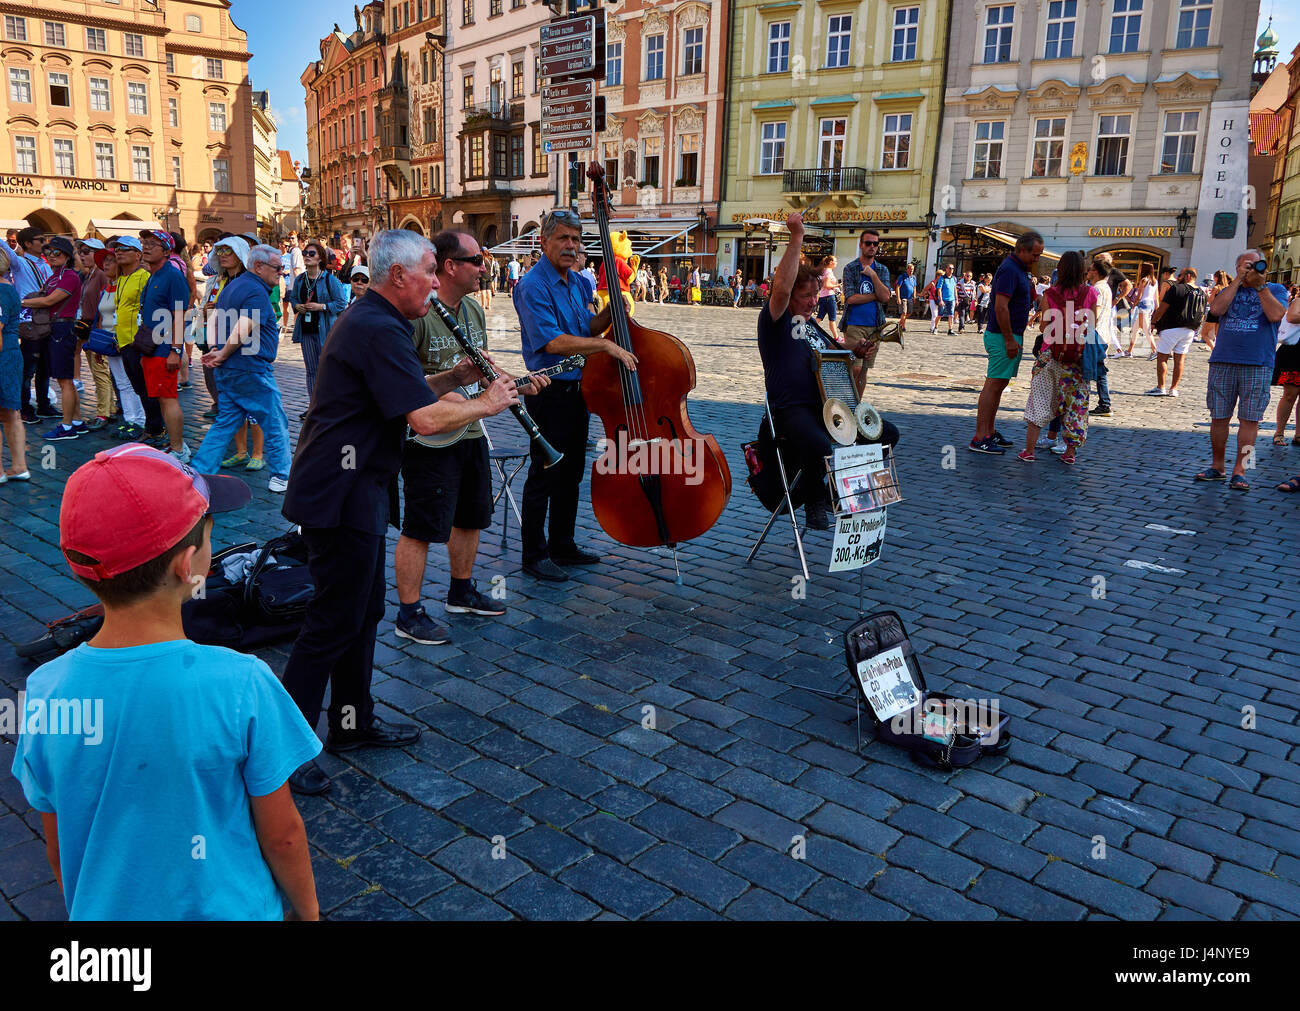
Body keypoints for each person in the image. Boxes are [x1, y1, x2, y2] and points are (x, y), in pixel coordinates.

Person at [10, 444, 323, 920]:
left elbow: (60, 845)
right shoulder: (242, 683)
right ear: (188, 565)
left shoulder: (46, 692)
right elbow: (282, 835)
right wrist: (308, 912)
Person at [279, 230, 523, 796]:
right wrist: (488, 401)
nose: (436, 282)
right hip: (339, 492)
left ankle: (351, 722)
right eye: (430, 272)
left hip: (359, 485)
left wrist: (457, 379)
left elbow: (408, 394)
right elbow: (424, 420)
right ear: (398, 277)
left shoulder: (379, 322)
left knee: (363, 614)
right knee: (331, 622)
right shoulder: (378, 327)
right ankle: (284, 751)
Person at [395, 231, 539, 643]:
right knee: (421, 526)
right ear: (450, 266)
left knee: (472, 517)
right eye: (476, 260)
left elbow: (483, 376)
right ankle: (409, 612)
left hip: (472, 428)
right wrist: (453, 380)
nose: (483, 266)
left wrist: (517, 385)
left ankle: (461, 591)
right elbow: (407, 386)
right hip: (431, 436)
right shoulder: (419, 314)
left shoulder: (473, 311)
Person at [758, 212, 899, 530]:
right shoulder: (776, 322)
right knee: (819, 444)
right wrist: (797, 238)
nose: (812, 302)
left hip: (829, 410)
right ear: (790, 298)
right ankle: (816, 501)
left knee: (887, 434)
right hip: (790, 411)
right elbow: (780, 290)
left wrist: (856, 356)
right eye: (805, 296)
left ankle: (845, 492)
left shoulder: (817, 330)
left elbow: (846, 383)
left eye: (815, 296)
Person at [514, 208, 632, 582]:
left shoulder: (580, 282)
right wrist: (606, 348)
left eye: (576, 240)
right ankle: (534, 554)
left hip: (579, 389)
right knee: (545, 472)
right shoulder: (531, 285)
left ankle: (562, 543)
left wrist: (614, 309)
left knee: (571, 473)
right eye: (563, 238)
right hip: (548, 390)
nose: (570, 245)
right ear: (543, 241)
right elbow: (552, 342)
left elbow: (589, 326)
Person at [191, 244, 293, 495]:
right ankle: (282, 475)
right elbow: (244, 327)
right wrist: (222, 352)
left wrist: (216, 350)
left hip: (229, 369)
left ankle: (200, 471)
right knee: (275, 422)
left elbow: (214, 319)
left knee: (225, 422)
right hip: (250, 369)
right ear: (258, 266)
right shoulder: (255, 290)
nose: (281, 273)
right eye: (278, 268)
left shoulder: (233, 286)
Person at [1194, 250, 1286, 491]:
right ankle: (1218, 466)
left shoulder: (1276, 290)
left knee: (1250, 419)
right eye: (1248, 265)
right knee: (1219, 416)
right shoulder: (1228, 290)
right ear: (1237, 267)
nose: (1253, 269)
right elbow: (1215, 310)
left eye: (1257, 265)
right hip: (1223, 360)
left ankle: (1241, 470)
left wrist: (1260, 287)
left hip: (1258, 362)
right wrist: (1237, 281)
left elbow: (1276, 315)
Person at [1018, 251, 1096, 466]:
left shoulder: (1051, 293)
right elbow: (1092, 326)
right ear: (1082, 270)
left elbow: (1044, 326)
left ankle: (1030, 450)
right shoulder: (1090, 294)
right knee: (1075, 404)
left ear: (1059, 269)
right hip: (1077, 358)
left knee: (1039, 401)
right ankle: (1070, 453)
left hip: (1050, 354)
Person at [969, 231, 1043, 454]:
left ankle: (989, 432)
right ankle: (980, 437)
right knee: (993, 385)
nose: (1037, 259)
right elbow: (1000, 307)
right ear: (1022, 250)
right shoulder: (1011, 270)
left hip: (1009, 335)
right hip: (1003, 336)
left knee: (999, 385)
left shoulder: (1018, 269)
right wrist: (1010, 339)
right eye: (1035, 254)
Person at [133, 230, 191, 460]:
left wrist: (175, 351)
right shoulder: (153, 276)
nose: (146, 247)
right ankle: (174, 444)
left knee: (168, 398)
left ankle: (179, 449)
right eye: (144, 243)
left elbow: (179, 315)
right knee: (161, 397)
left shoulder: (172, 276)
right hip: (151, 348)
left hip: (164, 349)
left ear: (167, 251)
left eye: (153, 244)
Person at [21, 236, 83, 441]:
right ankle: (76, 421)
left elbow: (49, 300)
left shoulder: (69, 276)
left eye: (56, 252)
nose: (51, 256)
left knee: (65, 380)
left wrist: (22, 302)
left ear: (67, 256)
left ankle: (66, 426)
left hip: (62, 328)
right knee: (66, 380)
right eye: (48, 252)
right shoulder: (55, 275)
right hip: (54, 328)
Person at [288, 240, 348, 412]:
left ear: (320, 258)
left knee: (328, 369)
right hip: (307, 330)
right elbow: (293, 299)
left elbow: (341, 303)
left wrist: (321, 307)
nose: (307, 256)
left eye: (311, 254)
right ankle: (314, 406)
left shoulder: (329, 280)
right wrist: (297, 306)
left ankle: (331, 404)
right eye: (305, 253)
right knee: (311, 370)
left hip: (326, 331)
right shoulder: (300, 280)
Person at [109, 236, 154, 441]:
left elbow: (148, 309)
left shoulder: (144, 276)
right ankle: (137, 421)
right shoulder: (121, 279)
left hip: (138, 342)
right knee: (133, 385)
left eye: (125, 249)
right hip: (124, 341)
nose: (119, 252)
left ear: (138, 254)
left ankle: (149, 425)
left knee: (144, 387)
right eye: (117, 249)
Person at [840, 229, 892, 394]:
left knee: (864, 371)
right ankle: (846, 402)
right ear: (861, 245)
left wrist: (873, 276)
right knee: (854, 367)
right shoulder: (851, 268)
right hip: (854, 324)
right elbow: (851, 298)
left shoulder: (882, 270)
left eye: (875, 244)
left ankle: (856, 408)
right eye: (868, 243)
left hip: (875, 326)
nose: (872, 246)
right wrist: (875, 295)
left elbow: (885, 297)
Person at [11, 227, 54, 424]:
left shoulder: (46, 263)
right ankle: (24, 407)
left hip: (46, 318)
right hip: (29, 320)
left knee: (45, 365)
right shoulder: (19, 262)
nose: (44, 242)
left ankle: (44, 405)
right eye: (40, 239)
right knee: (28, 367)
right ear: (28, 243)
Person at [1148, 267, 1200, 398]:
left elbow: (1162, 308)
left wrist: (1154, 321)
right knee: (1180, 360)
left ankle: (1161, 387)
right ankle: (1174, 389)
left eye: (1180, 275)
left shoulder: (1176, 288)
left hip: (1171, 327)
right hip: (1189, 329)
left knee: (1162, 357)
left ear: (1188, 276)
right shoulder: (1201, 292)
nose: (1177, 277)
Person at [0, 245, 28, 482]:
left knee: (7, 413)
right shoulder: (9, 288)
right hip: (10, 354)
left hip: (3, 356)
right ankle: (19, 466)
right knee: (11, 413)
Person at [1085, 259, 1116, 422]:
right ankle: (1103, 402)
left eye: (1090, 269)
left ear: (1095, 272)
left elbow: (1093, 313)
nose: (1088, 272)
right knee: (1098, 369)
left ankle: (1104, 403)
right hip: (1103, 333)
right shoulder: (1106, 287)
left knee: (1093, 369)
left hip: (1096, 334)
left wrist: (1088, 332)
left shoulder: (1097, 288)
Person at [1270, 291, 1300, 447]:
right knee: (1290, 394)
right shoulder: (1299, 300)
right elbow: (1291, 317)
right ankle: (1279, 433)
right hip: (1295, 352)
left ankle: (1299, 435)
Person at [1201, 269, 1229, 351]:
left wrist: (1207, 294)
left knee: (1204, 334)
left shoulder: (1216, 288)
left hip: (1214, 312)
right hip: (1223, 312)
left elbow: (1210, 301)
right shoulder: (1227, 288)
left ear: (1216, 277)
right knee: (1218, 335)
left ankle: (1214, 350)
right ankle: (1219, 350)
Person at [815, 255, 841, 342]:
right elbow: (827, 285)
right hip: (829, 297)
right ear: (830, 262)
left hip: (822, 296)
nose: (836, 263)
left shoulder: (823, 271)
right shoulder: (829, 272)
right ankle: (837, 338)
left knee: (819, 317)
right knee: (832, 319)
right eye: (835, 261)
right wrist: (837, 286)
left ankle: (807, 330)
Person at [895, 262, 918, 332]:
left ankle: (899, 323)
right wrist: (898, 298)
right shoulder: (902, 277)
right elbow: (898, 287)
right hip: (903, 298)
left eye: (912, 270)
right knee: (904, 312)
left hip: (910, 298)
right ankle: (903, 326)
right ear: (907, 269)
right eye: (910, 269)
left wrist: (914, 296)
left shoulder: (913, 278)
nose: (911, 271)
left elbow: (914, 287)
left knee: (909, 312)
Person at [937, 264, 957, 335]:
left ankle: (950, 329)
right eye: (950, 268)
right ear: (946, 269)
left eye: (952, 268)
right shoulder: (942, 278)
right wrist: (940, 300)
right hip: (944, 299)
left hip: (952, 299)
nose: (951, 270)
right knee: (940, 314)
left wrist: (956, 299)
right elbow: (939, 289)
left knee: (951, 315)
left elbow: (955, 289)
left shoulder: (954, 278)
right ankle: (935, 328)